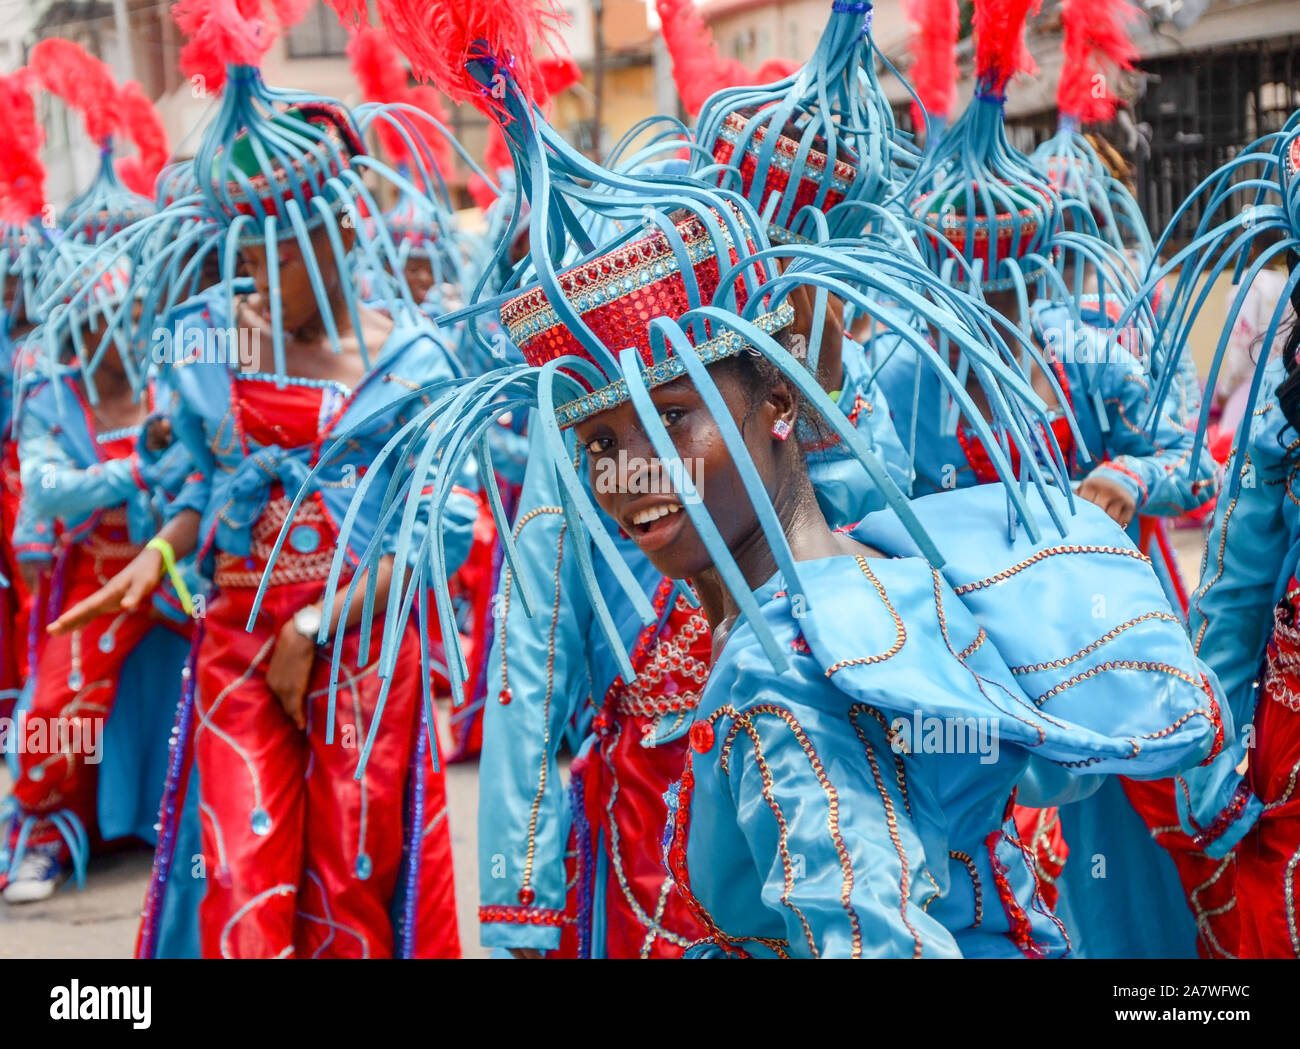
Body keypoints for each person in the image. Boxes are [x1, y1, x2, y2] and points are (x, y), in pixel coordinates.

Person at [327, 0, 1226, 957]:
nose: (631, 467)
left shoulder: (813, 621)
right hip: (651, 806)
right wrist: (524, 906)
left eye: (671, 419)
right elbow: (536, 659)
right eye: (604, 443)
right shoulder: (690, 438)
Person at [48, 21, 474, 958]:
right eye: (246, 250)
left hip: (361, 650)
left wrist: (318, 625)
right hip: (237, 640)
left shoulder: (407, 357)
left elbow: (429, 528)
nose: (256, 274)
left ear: (336, 233)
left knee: (352, 879)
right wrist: (163, 547)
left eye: (280, 249)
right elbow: (201, 476)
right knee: (241, 872)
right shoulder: (212, 339)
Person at [1, 246, 194, 903]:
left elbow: (203, 461)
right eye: (119, 318)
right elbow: (46, 489)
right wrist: (132, 472)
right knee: (56, 704)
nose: (133, 330)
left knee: (229, 675)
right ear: (86, 330)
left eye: (138, 313)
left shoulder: (169, 381)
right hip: (97, 575)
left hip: (178, 564)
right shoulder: (51, 395)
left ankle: (192, 827)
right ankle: (44, 835)